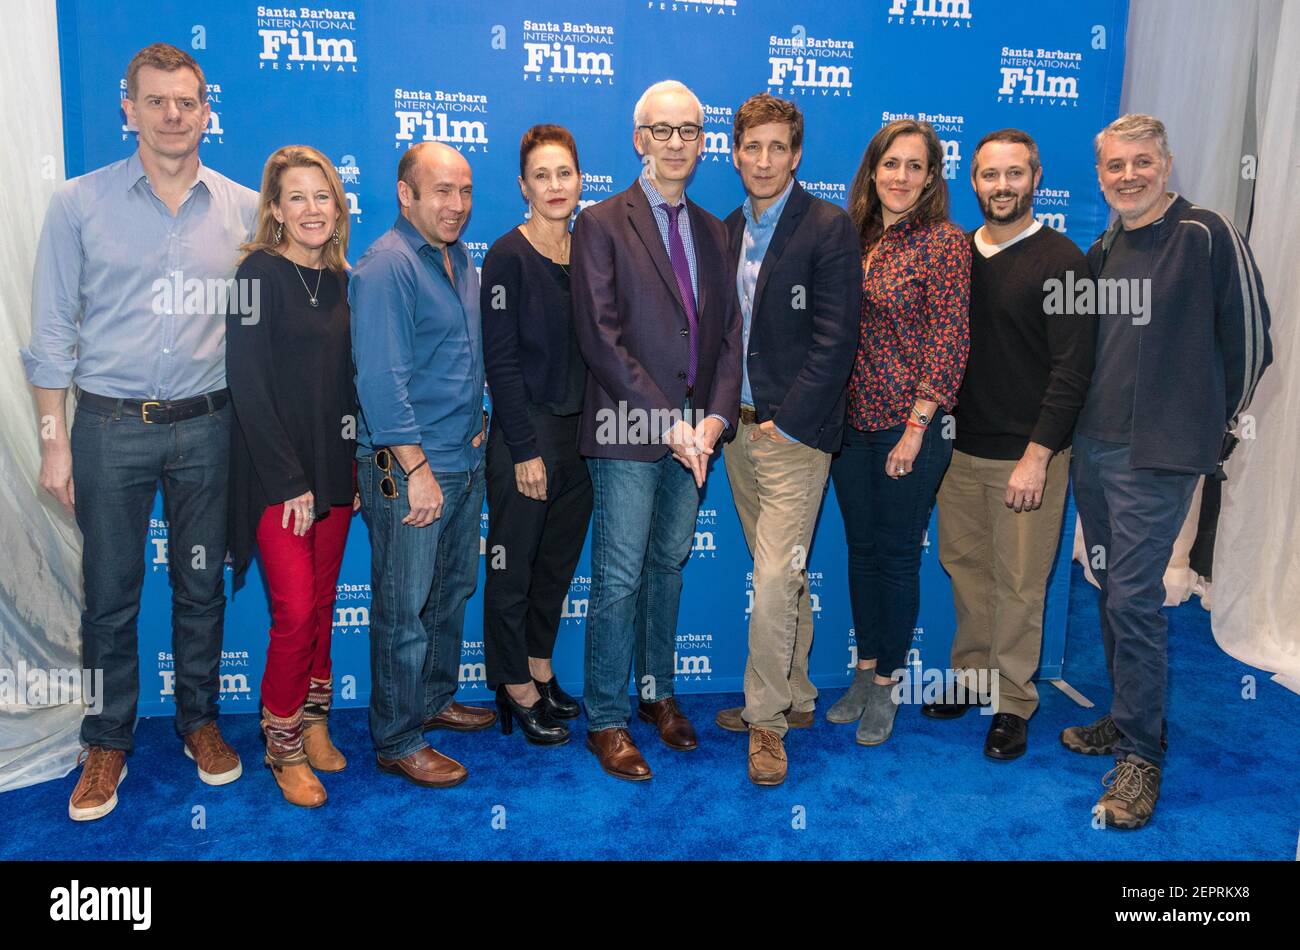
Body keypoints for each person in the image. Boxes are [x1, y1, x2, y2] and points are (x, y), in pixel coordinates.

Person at [22, 43, 256, 822]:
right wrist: (54, 441)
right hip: (107, 429)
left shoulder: (244, 209)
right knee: (109, 597)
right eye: (155, 101)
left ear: (205, 110)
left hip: (208, 429)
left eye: (186, 101)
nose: (172, 115)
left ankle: (199, 723)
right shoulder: (78, 205)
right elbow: (50, 334)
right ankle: (107, 740)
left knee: (200, 587)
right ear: (128, 108)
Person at [1063, 114, 1272, 828]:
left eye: (1141, 162)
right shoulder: (1105, 245)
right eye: (1115, 165)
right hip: (1093, 448)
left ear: (1167, 163)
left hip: (1158, 455)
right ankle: (1126, 721)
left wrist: (1210, 430)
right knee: (1108, 586)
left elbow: (1251, 342)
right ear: (1101, 175)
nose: (1129, 175)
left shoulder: (1207, 234)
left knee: (1132, 599)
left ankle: (1141, 757)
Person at [571, 79, 742, 781]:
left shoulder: (713, 228)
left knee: (667, 568)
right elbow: (601, 338)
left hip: (695, 441)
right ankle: (607, 719)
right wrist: (669, 423)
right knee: (616, 577)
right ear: (639, 139)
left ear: (704, 142)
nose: (677, 143)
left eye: (691, 131)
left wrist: (713, 419)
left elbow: (728, 335)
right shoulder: (602, 223)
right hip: (629, 431)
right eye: (663, 130)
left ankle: (657, 693)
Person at [926, 129, 1096, 761]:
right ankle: (973, 677)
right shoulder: (955, 255)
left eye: (1014, 174)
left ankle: (1013, 701)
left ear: (1036, 177)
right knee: (967, 571)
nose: (1002, 186)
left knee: (1022, 583)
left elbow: (1073, 372)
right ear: (973, 180)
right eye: (990, 175)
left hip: (1029, 456)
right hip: (957, 451)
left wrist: (1038, 455)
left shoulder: (1066, 262)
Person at [715, 94, 860, 785]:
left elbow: (836, 339)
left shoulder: (828, 226)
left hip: (794, 437)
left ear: (796, 155)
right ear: (736, 153)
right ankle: (797, 696)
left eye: (778, 148)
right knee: (782, 573)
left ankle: (765, 722)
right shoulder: (722, 231)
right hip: (734, 435)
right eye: (752, 147)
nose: (765, 160)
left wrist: (788, 418)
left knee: (773, 578)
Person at [350, 142, 496, 790]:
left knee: (450, 594)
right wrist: (416, 469)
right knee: (403, 609)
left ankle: (432, 699)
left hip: (463, 459)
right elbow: (381, 379)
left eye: (464, 190)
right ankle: (397, 738)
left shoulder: (459, 257)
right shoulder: (387, 266)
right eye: (441, 190)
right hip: (414, 469)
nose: (456, 204)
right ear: (406, 194)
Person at [827, 119, 971, 746]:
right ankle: (862, 672)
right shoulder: (849, 237)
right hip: (849, 424)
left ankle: (888, 684)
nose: (901, 177)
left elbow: (950, 340)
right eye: (891, 164)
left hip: (910, 425)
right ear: (873, 169)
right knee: (861, 552)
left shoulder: (944, 243)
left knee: (896, 557)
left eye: (915, 166)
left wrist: (916, 428)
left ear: (932, 176)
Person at [226, 145, 356, 807]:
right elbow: (247, 387)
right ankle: (281, 745)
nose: (312, 209)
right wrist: (288, 482)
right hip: (279, 481)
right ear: (275, 209)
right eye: (297, 197)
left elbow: (345, 385)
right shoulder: (256, 275)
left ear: (337, 208)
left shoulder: (338, 280)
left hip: (334, 474)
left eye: (322, 196)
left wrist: (353, 466)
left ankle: (314, 721)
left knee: (325, 605)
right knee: (296, 611)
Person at [481, 125, 592, 745]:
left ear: (580, 180)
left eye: (565, 174)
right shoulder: (506, 256)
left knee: (556, 566)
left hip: (584, 439)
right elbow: (499, 361)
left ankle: (542, 666)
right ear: (523, 186)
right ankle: (513, 682)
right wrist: (524, 449)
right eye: (541, 176)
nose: (554, 186)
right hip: (526, 436)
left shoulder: (591, 249)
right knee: (512, 567)